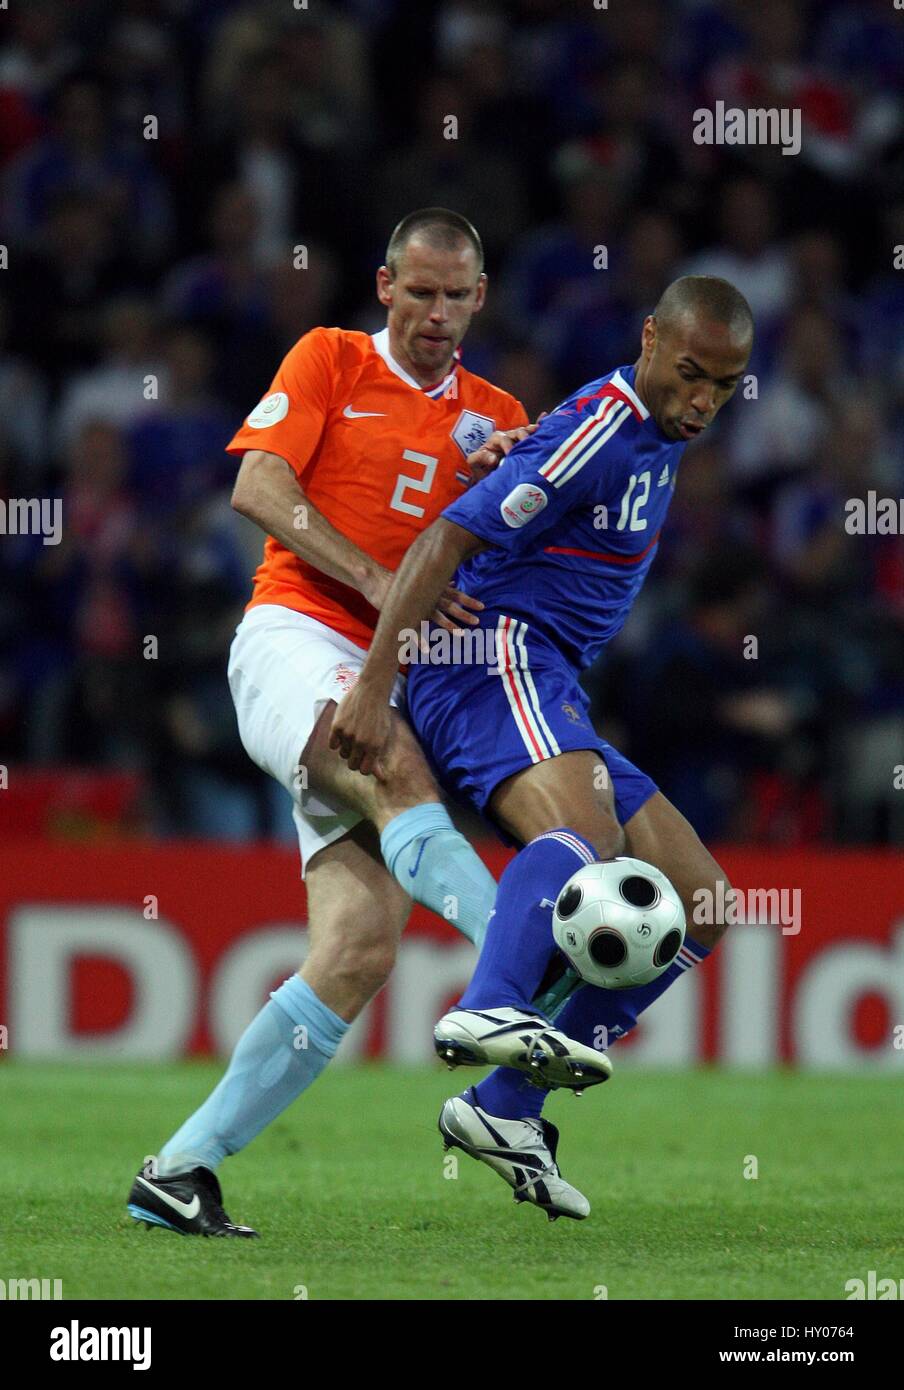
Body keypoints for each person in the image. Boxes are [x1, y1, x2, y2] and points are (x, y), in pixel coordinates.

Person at [127, 208, 546, 1237]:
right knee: (394, 764)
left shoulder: (500, 417)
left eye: (457, 296)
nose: (437, 312)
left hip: (396, 671)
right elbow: (257, 484)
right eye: (420, 291)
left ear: (479, 299)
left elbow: (511, 567)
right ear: (385, 286)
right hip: (291, 642)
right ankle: (518, 962)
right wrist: (379, 579)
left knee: (358, 948)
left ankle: (178, 1170)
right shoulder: (330, 359)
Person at [330, 276, 755, 1221]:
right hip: (493, 656)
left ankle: (508, 1107)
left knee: (704, 902)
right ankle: (492, 1004)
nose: (701, 403)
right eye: (689, 376)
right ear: (649, 341)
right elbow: (445, 536)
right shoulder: (603, 429)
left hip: (549, 680)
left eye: (723, 388)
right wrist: (372, 679)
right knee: (586, 844)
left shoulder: (655, 431)